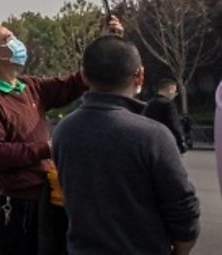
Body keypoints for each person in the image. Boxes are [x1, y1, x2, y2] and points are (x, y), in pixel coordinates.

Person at [0, 18, 122, 255]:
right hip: (21, 207)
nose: (17, 42)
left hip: (48, 198)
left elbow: (75, 82)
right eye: (9, 39)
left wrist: (106, 43)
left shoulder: (29, 87)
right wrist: (47, 148)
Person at [53, 35, 199, 255]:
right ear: (139, 76)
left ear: (83, 75)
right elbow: (184, 212)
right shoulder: (152, 135)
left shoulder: (64, 130)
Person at [143, 78, 186, 153]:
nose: (175, 94)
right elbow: (174, 126)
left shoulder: (149, 103)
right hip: (166, 144)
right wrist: (181, 143)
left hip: (150, 143)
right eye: (175, 91)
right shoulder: (168, 105)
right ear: (170, 90)